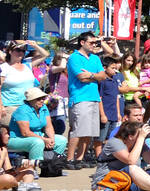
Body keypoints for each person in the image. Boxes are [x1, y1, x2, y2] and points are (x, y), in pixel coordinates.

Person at [67, 31, 110, 169]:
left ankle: (79, 158)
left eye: (95, 43)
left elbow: (103, 76)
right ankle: (69, 159)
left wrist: (91, 75)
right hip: (80, 98)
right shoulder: (74, 57)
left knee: (89, 132)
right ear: (82, 42)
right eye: (91, 42)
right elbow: (81, 77)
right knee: (78, 130)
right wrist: (95, 76)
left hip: (94, 97)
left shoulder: (95, 59)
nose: (94, 45)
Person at [1, 39, 48, 148]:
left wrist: (35, 45)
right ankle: (7, 158)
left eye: (23, 50)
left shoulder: (28, 64)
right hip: (10, 106)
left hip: (29, 106)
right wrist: (1, 106)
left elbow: (45, 54)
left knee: (28, 131)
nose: (21, 53)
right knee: (10, 133)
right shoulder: (4, 68)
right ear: (10, 51)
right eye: (18, 50)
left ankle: (27, 155)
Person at [7, 86, 68, 171]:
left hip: (38, 136)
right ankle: (32, 170)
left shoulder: (43, 107)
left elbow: (49, 126)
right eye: (38, 99)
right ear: (30, 100)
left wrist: (51, 139)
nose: (42, 100)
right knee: (37, 142)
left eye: (43, 98)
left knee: (61, 140)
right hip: (17, 138)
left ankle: (52, 166)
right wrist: (44, 139)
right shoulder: (22, 110)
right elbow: (25, 133)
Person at [98, 55, 124, 143]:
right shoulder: (102, 81)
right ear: (105, 68)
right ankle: (98, 155)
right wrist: (102, 115)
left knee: (110, 137)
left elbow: (116, 97)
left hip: (113, 114)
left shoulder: (114, 80)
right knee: (101, 138)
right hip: (105, 113)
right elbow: (99, 98)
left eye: (115, 68)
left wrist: (118, 113)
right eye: (112, 68)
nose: (115, 70)